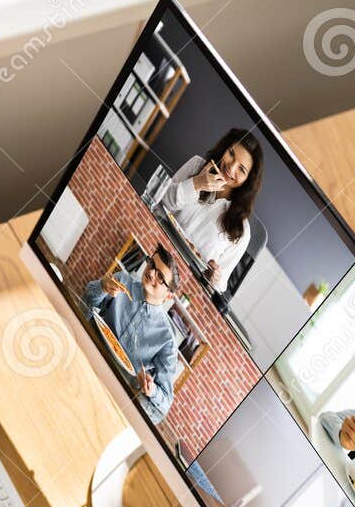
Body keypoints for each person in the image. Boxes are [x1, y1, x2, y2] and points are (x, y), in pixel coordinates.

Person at [154, 127, 264, 291]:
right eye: (231, 154)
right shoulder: (197, 165)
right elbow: (160, 201)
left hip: (183, 284)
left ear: (248, 180)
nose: (231, 168)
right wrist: (196, 183)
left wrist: (215, 278)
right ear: (225, 148)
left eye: (241, 169)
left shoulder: (242, 231)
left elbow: (221, 285)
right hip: (155, 247)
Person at [83, 247, 181, 425]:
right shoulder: (122, 281)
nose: (151, 273)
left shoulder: (167, 340)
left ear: (168, 295)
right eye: (151, 264)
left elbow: (165, 402)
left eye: (160, 277)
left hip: (115, 389)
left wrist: (151, 389)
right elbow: (88, 299)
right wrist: (102, 287)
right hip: (88, 349)